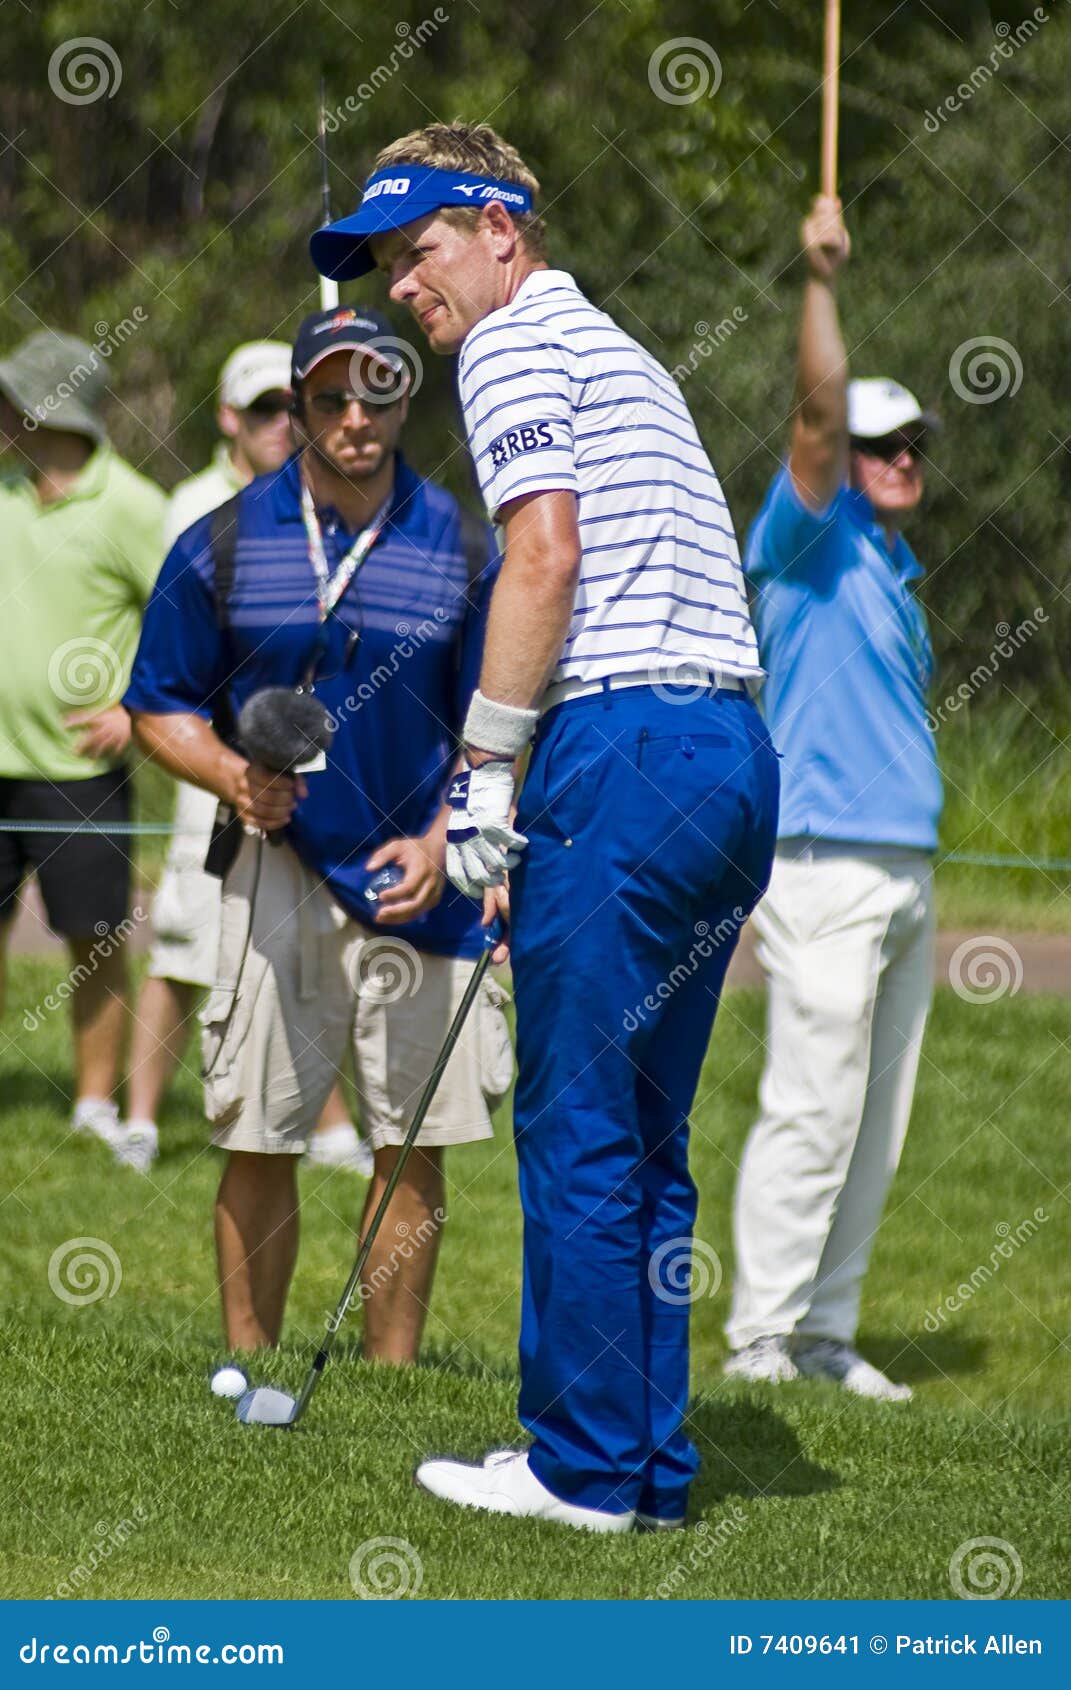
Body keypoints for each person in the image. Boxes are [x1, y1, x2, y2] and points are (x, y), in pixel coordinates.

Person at [312, 123, 779, 1530]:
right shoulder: (618, 350)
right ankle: (643, 1468)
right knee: (642, 1124)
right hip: (728, 757)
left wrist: (483, 781)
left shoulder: (511, 344)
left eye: (419, 250)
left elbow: (544, 553)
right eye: (389, 264)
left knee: (576, 1120)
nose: (404, 286)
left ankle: (578, 1468)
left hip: (623, 742)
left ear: (501, 227)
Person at [124, 306, 512, 1365]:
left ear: (403, 400)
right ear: (296, 405)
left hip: (412, 877)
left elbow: (500, 710)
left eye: (376, 393)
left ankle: (390, 1375)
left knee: (409, 1135)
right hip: (272, 862)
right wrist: (232, 778)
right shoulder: (226, 538)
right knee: (258, 1128)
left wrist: (444, 837)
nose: (355, 416)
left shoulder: (462, 540)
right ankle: (247, 1358)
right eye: (332, 396)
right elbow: (157, 703)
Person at [722, 196, 942, 1402]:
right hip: (818, 864)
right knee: (812, 1103)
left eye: (913, 443)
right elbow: (814, 406)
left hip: (905, 866)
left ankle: (824, 1332)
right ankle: (761, 1336)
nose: (900, 458)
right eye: (879, 445)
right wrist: (819, 278)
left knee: (879, 1120)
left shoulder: (896, 568)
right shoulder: (808, 540)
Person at [123, 341, 366, 1177]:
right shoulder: (194, 509)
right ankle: (142, 1119)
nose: (275, 425)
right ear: (230, 417)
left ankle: (325, 1120)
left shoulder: (331, 510)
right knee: (187, 944)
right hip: (215, 765)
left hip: (309, 766)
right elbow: (163, 645)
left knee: (313, 942)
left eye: (284, 409)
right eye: (260, 410)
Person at [0, 329, 165, 1148]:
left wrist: (136, 712)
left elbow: (185, 623)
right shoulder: (2, 488)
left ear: (42, 408)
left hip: (80, 772)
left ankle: (97, 1103)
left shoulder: (134, 507)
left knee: (93, 942)